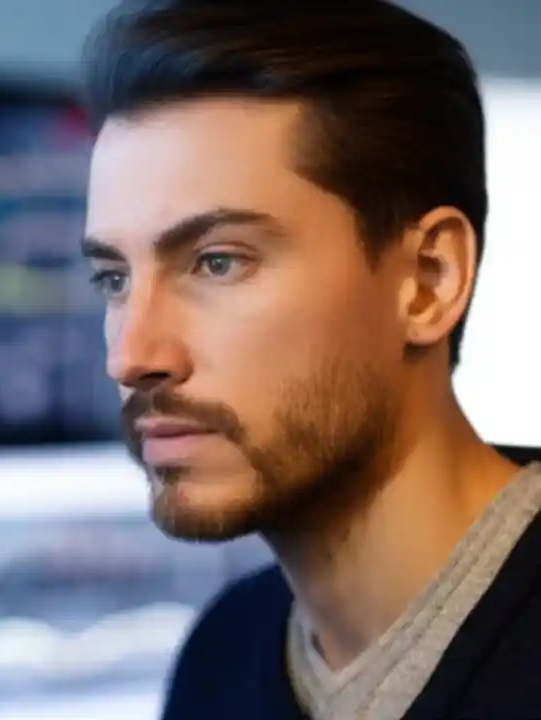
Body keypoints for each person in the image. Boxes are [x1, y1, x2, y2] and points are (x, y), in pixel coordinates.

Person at [79, 1, 541, 717]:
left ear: (428, 282)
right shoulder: (223, 653)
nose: (132, 356)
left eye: (218, 262)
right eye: (114, 278)